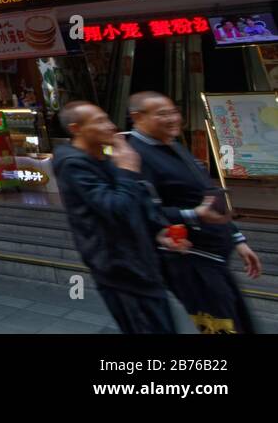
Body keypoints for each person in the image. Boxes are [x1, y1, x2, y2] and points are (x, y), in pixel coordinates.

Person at [127, 92, 261, 333]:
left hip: (215, 256)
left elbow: (206, 194)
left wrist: (237, 238)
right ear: (137, 117)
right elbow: (141, 212)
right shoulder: (133, 156)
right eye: (162, 114)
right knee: (221, 327)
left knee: (241, 324)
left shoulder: (172, 144)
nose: (173, 119)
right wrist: (194, 214)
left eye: (174, 112)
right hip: (189, 260)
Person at [53, 100, 181, 333]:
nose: (111, 126)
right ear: (76, 129)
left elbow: (138, 198)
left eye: (107, 118)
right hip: (119, 267)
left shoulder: (105, 156)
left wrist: (160, 229)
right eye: (100, 121)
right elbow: (116, 208)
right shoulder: (73, 164)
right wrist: (127, 170)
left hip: (140, 260)